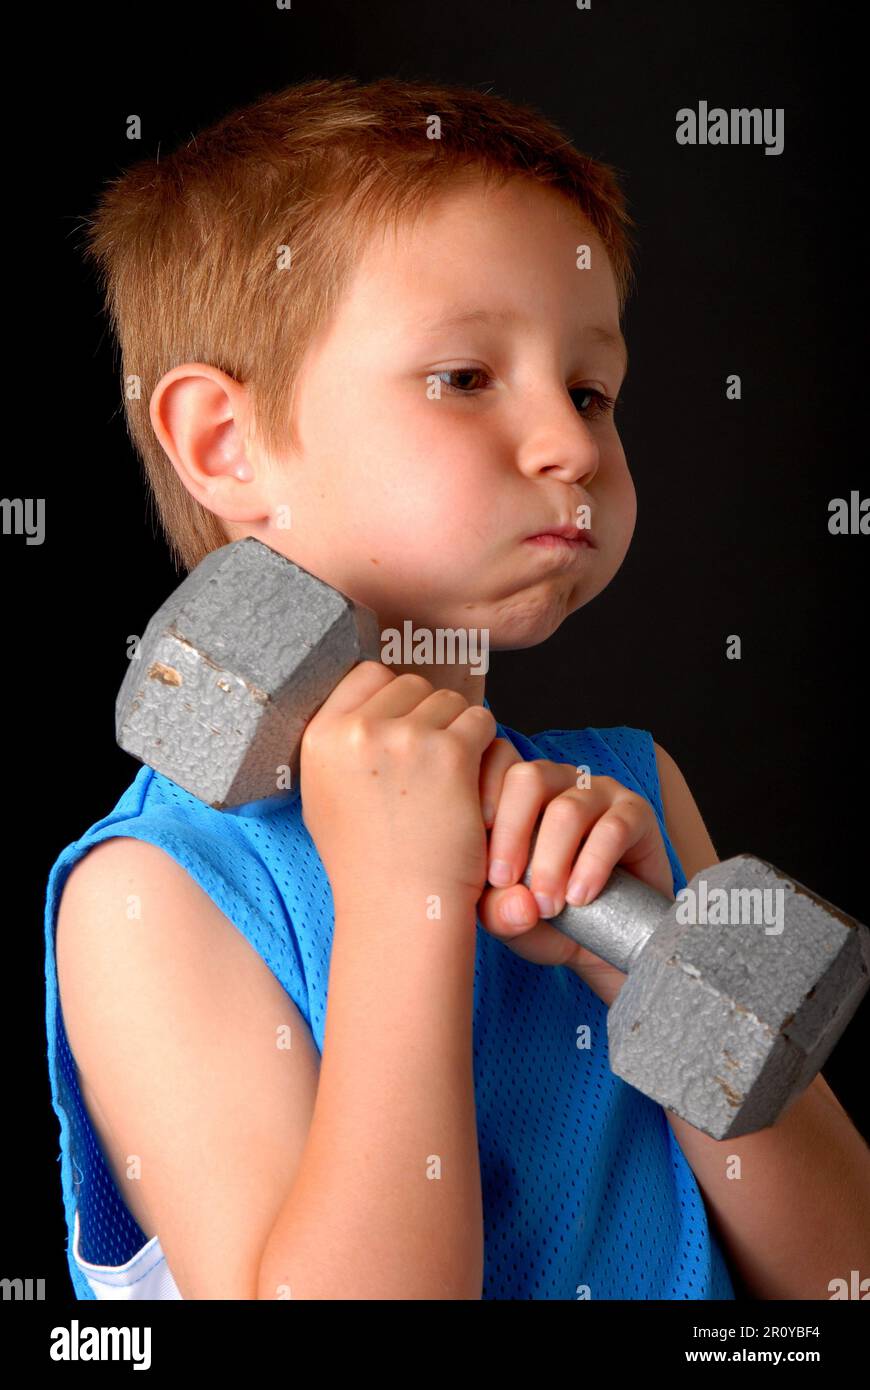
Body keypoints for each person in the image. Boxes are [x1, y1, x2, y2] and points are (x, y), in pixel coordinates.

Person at [44, 76, 870, 1301]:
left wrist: (647, 975)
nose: (574, 444)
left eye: (591, 389)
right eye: (466, 377)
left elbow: (843, 1277)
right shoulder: (154, 896)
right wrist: (397, 905)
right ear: (228, 443)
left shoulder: (628, 802)